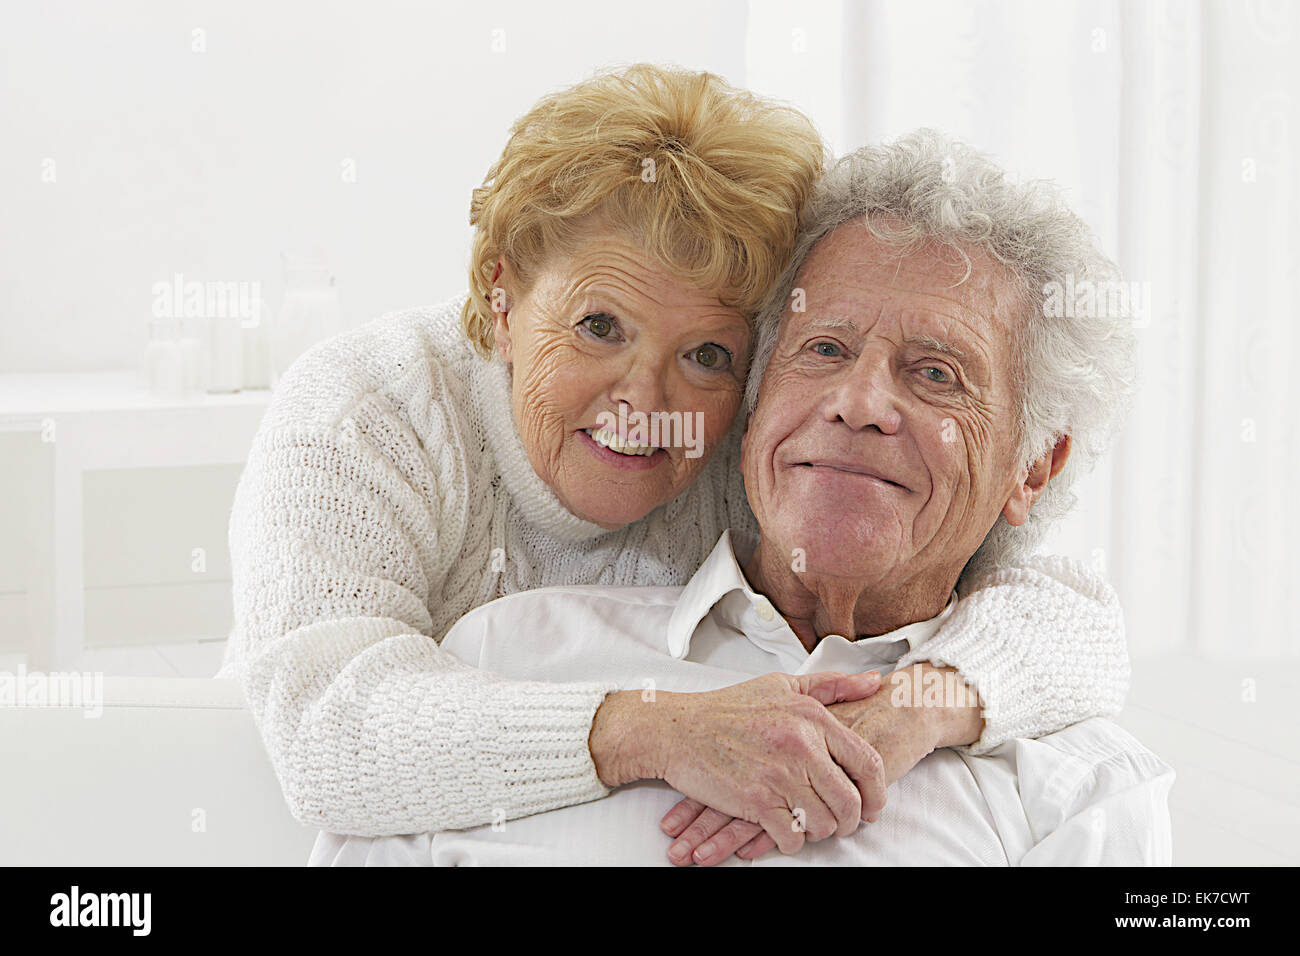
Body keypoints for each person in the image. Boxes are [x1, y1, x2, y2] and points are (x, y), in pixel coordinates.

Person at [217, 67, 1129, 855]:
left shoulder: (760, 442)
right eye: (598, 327)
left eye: (707, 354)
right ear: (500, 297)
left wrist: (922, 702)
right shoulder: (369, 409)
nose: (644, 406)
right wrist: (649, 729)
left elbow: (1065, 617)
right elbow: (326, 726)